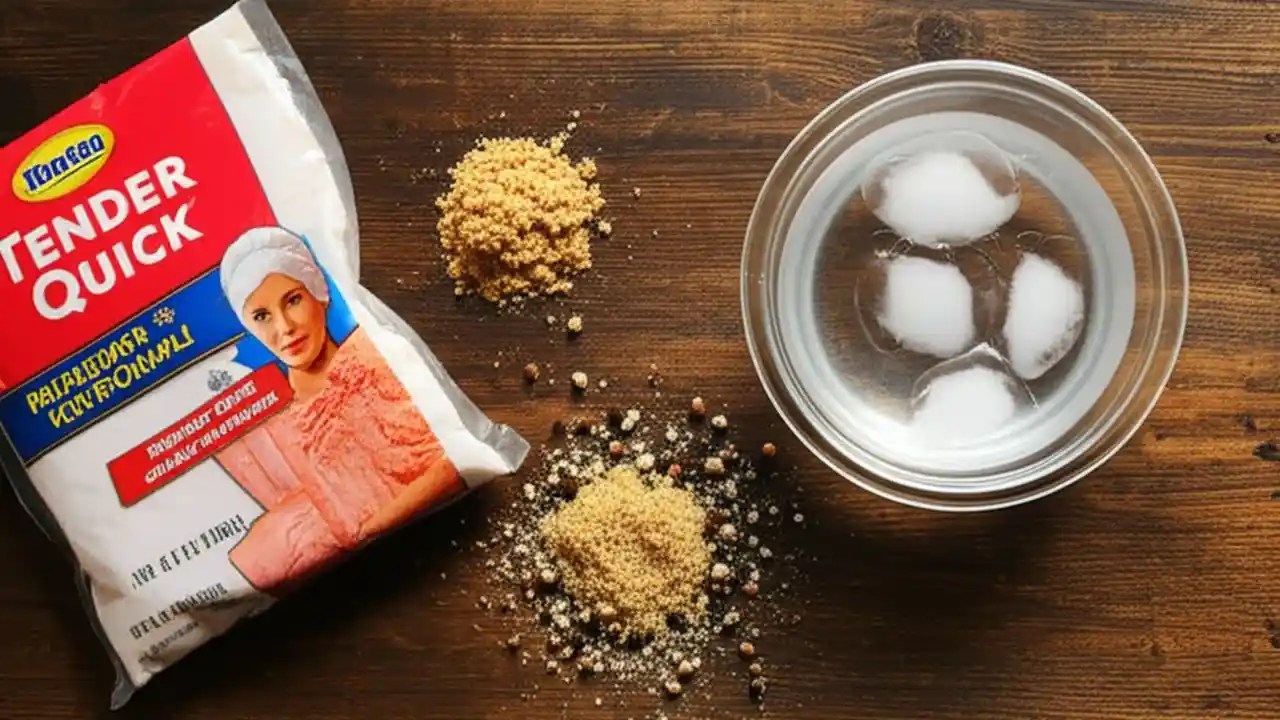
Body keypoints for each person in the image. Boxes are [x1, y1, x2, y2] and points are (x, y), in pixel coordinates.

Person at [215, 226, 461, 593]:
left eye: (293, 300)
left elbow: (452, 463)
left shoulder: (372, 353)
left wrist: (369, 531)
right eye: (262, 316)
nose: (285, 328)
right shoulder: (272, 425)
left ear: (320, 294)